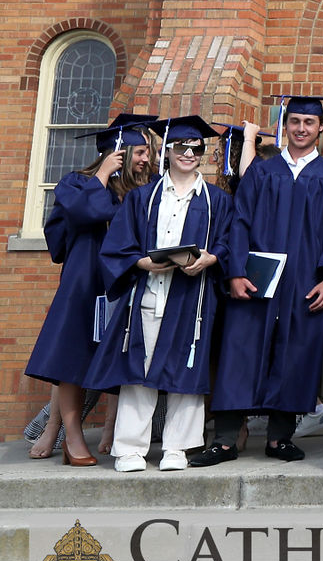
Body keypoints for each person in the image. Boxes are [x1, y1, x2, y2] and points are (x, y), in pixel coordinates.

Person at [194, 95, 323, 466]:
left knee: (296, 352)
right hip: (256, 279)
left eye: (309, 123)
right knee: (241, 350)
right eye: (295, 121)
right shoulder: (262, 173)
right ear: (285, 125)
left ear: (321, 129)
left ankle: (280, 438)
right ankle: (225, 439)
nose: (301, 128)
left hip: (306, 281)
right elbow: (240, 223)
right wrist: (235, 272)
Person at [88, 116, 235, 473]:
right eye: (180, 147)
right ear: (166, 150)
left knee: (188, 371)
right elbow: (117, 246)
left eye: (195, 148)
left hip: (193, 297)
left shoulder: (217, 200)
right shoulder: (142, 198)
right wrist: (141, 263)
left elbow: (229, 243)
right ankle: (129, 449)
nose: (188, 153)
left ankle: (177, 448)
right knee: (140, 368)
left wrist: (210, 258)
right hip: (150, 294)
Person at [25, 114, 155, 463]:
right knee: (72, 356)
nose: (146, 159)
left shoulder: (145, 191)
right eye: (140, 152)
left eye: (148, 153)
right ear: (118, 154)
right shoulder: (77, 183)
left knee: (118, 353)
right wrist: (101, 176)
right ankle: (70, 436)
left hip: (124, 280)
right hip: (84, 280)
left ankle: (111, 427)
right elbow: (81, 216)